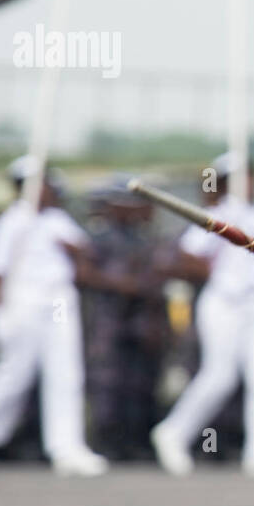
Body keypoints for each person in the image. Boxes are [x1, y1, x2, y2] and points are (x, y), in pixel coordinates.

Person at [150, 154, 254, 478]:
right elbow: (188, 257)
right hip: (222, 302)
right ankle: (174, 432)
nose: (252, 184)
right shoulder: (215, 216)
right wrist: (216, 255)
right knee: (220, 375)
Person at [0, 156, 108, 477]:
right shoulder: (11, 222)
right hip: (23, 305)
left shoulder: (59, 220)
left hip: (59, 304)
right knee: (14, 375)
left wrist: (73, 250)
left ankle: (66, 446)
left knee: (66, 375)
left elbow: (85, 255)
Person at [84, 180, 169, 461]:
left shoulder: (143, 239)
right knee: (108, 382)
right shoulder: (97, 239)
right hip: (108, 318)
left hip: (140, 320)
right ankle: (106, 441)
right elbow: (84, 273)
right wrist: (119, 284)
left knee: (139, 383)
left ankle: (134, 440)